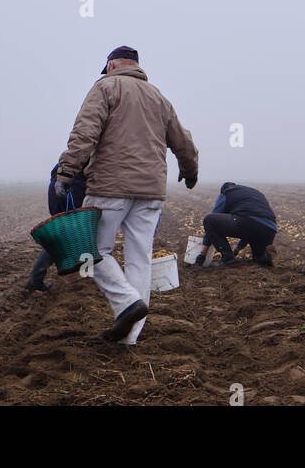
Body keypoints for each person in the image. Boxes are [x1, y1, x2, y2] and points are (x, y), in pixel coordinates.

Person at [54, 46, 199, 343]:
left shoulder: (106, 87)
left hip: (110, 187)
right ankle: (129, 337)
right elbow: (182, 140)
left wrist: (67, 171)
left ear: (111, 65)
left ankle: (126, 304)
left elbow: (85, 133)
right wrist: (190, 169)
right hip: (150, 192)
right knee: (139, 258)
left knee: (91, 250)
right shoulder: (159, 97)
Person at [26, 164, 88, 292]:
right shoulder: (90, 148)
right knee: (85, 230)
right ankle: (86, 274)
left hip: (58, 184)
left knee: (62, 232)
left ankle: (36, 277)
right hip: (73, 186)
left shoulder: (73, 152)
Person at [199, 182, 277, 266]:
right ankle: (264, 257)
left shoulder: (227, 193)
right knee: (260, 260)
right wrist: (236, 250)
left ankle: (228, 258)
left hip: (250, 224)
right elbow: (250, 226)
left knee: (209, 220)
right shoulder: (254, 193)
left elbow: (212, 221)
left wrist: (202, 254)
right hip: (270, 229)